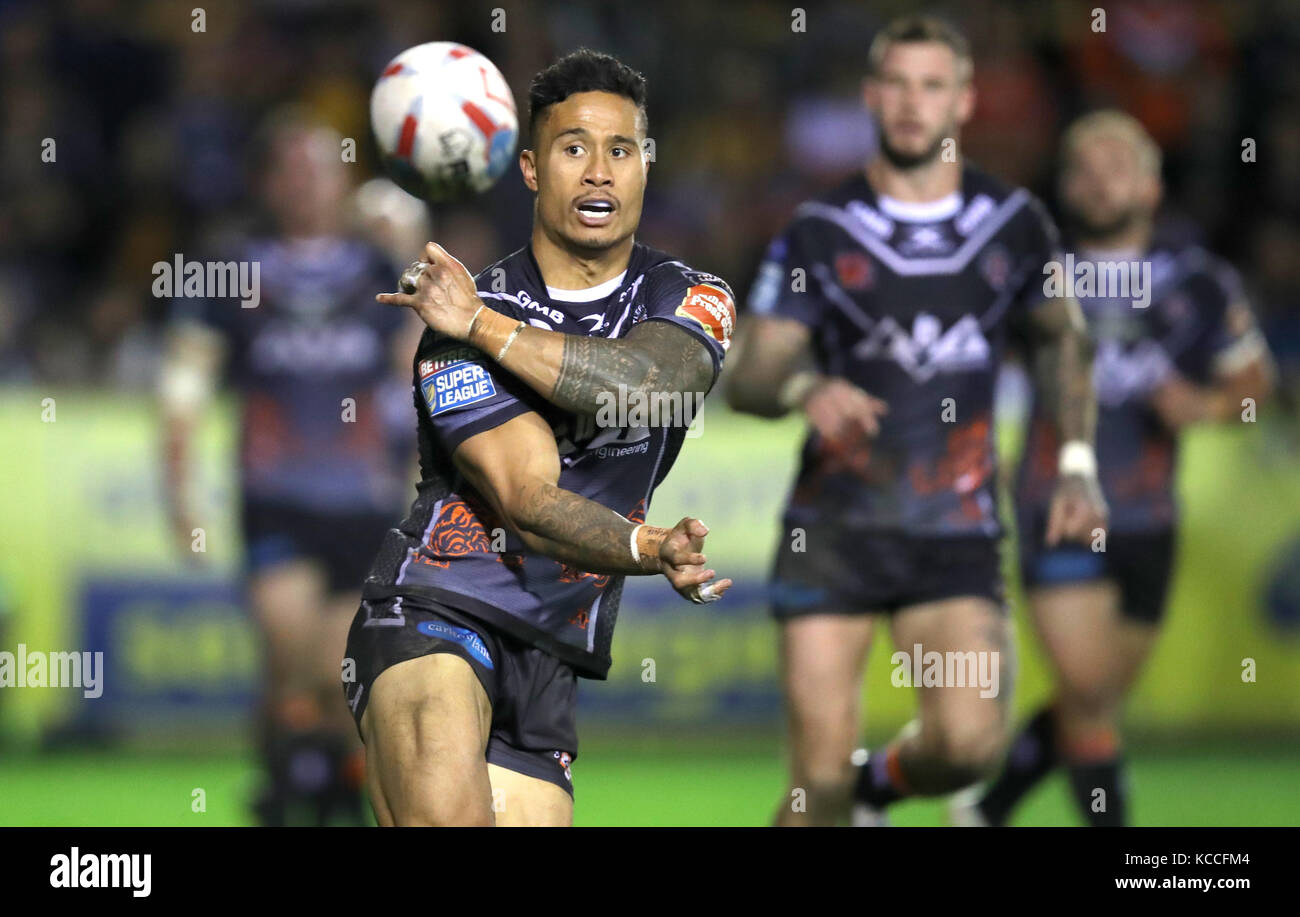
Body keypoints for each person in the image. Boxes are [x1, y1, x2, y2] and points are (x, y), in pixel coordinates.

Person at [725, 15, 1105, 826]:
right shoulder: (820, 230)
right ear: (870, 95)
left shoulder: (1016, 225)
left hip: (954, 526)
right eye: (895, 83)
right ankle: (842, 793)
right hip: (832, 528)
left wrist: (1075, 459)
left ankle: (879, 787)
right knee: (812, 784)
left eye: (932, 85)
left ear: (964, 102)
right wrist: (803, 388)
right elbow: (749, 377)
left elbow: (1063, 346)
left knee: (969, 746)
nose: (911, 102)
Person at [343, 48, 737, 826]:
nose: (599, 172)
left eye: (620, 150)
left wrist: (487, 327)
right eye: (573, 148)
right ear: (529, 168)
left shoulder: (690, 295)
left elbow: (649, 384)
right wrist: (647, 548)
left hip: (551, 648)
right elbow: (527, 499)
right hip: (435, 608)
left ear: (645, 168)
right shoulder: (452, 327)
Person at [955, 110, 1274, 827]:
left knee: (1087, 699)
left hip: (1150, 516)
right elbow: (960, 372)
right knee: (1091, 693)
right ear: (1066, 185)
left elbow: (1254, 381)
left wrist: (1207, 403)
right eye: (1084, 168)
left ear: (1153, 187)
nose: (1100, 182)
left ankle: (984, 811)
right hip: (1057, 507)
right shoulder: (1030, 275)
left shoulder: (1198, 282)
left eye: (1117, 166)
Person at [159, 112, 412, 825]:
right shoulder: (233, 271)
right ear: (268, 182)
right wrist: (179, 490)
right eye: (291, 168)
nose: (306, 183)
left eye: (321, 168)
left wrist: (412, 248)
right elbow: (184, 386)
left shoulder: (379, 270)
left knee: (343, 681)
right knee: (286, 656)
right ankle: (279, 787)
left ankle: (331, 795)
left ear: (346, 181)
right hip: (276, 496)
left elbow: (424, 366)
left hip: (365, 500)